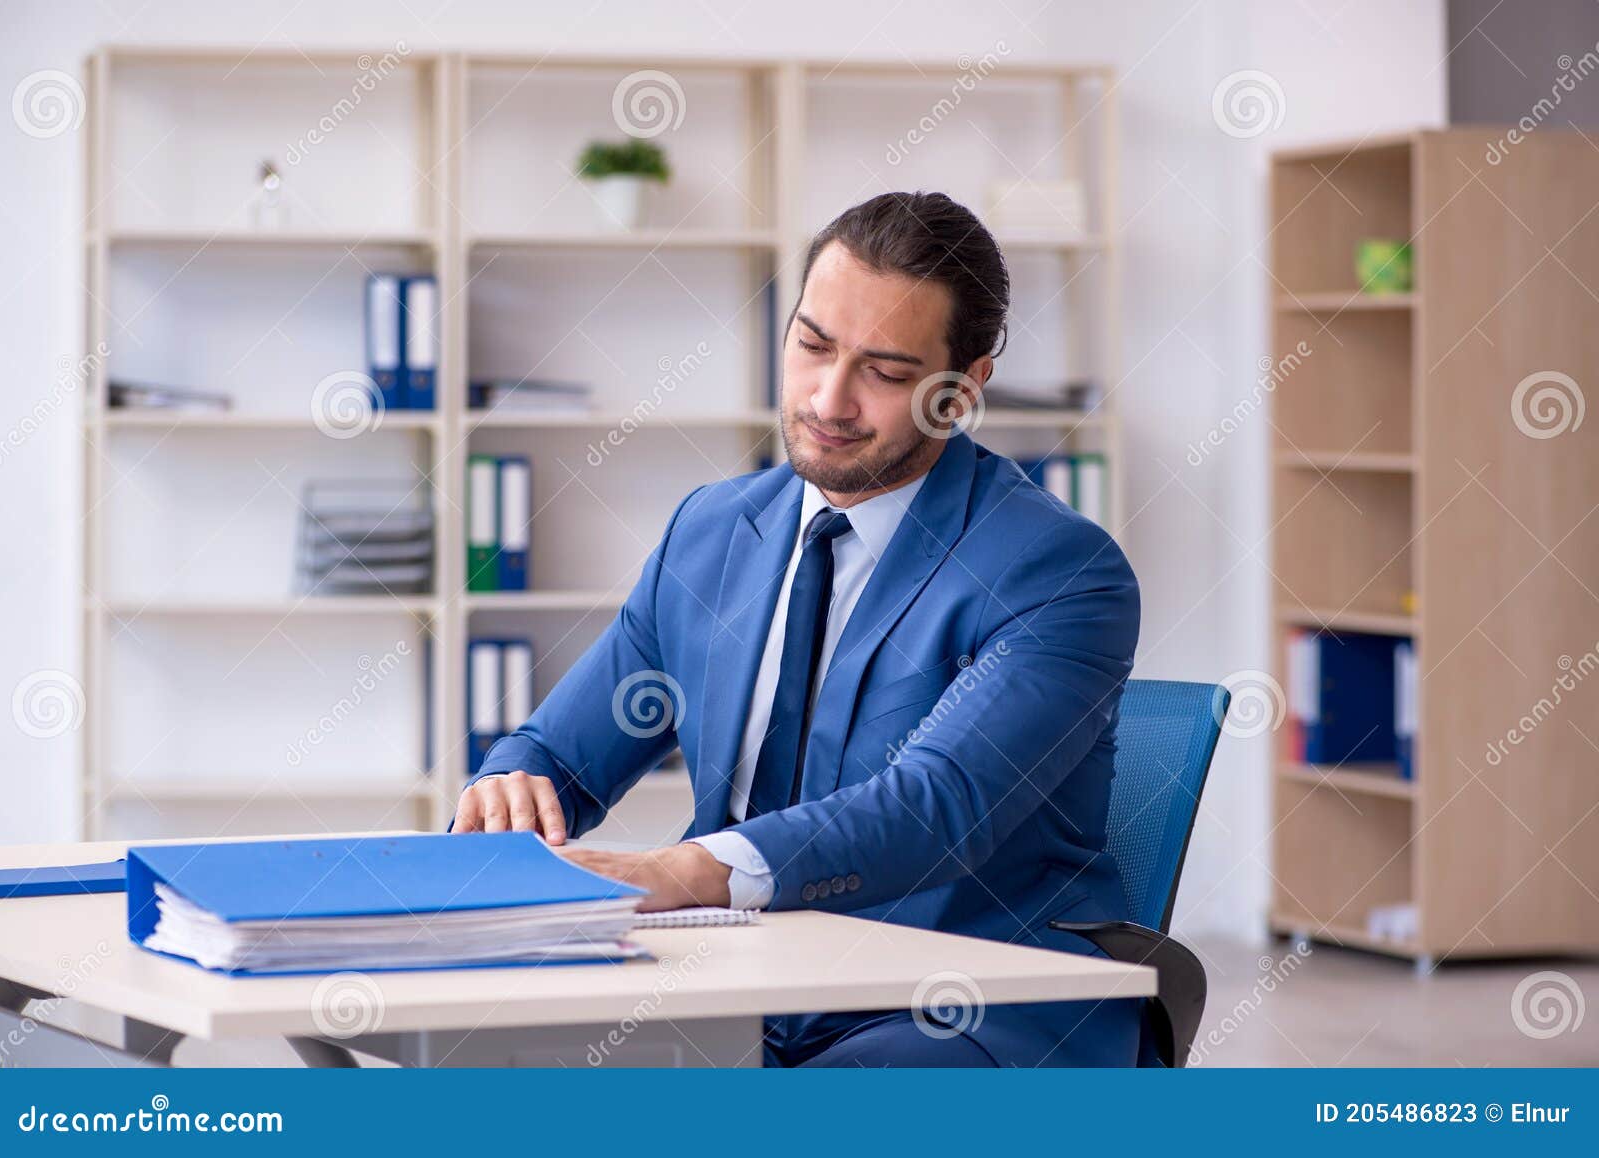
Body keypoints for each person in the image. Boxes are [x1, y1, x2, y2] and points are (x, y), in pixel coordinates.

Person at [452, 191, 1142, 1067]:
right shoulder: (710, 533)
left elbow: (932, 811)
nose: (829, 399)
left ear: (962, 390)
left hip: (965, 1004)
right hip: (742, 989)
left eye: (886, 373)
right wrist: (513, 784)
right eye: (813, 345)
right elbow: (562, 751)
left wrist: (682, 872)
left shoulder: (1056, 570)